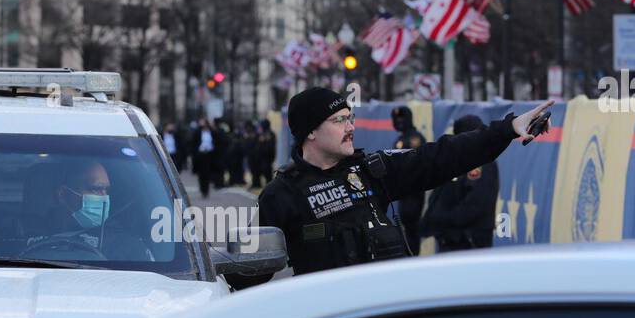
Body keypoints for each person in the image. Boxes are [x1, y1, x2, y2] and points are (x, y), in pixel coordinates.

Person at [229, 87, 550, 286]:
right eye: (339, 121)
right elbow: (249, 271)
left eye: (350, 118)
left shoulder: (372, 171)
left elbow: (442, 157)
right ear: (309, 133)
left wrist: (506, 129)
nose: (350, 127)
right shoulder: (282, 194)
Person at [420, 113, 502, 252]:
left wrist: (444, 220)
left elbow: (476, 203)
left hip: (469, 240)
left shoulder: (483, 162)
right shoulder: (459, 161)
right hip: (451, 238)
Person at [390, 105, 426, 254]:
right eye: (396, 119)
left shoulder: (414, 139)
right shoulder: (401, 138)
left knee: (411, 226)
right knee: (406, 227)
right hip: (404, 191)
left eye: (402, 119)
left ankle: (412, 257)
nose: (399, 122)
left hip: (413, 191)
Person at [191, 119, 216, 197]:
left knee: (208, 173)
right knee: (201, 173)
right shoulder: (198, 132)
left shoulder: (212, 132)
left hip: (209, 155)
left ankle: (206, 190)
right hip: (200, 155)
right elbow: (193, 143)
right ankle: (202, 189)